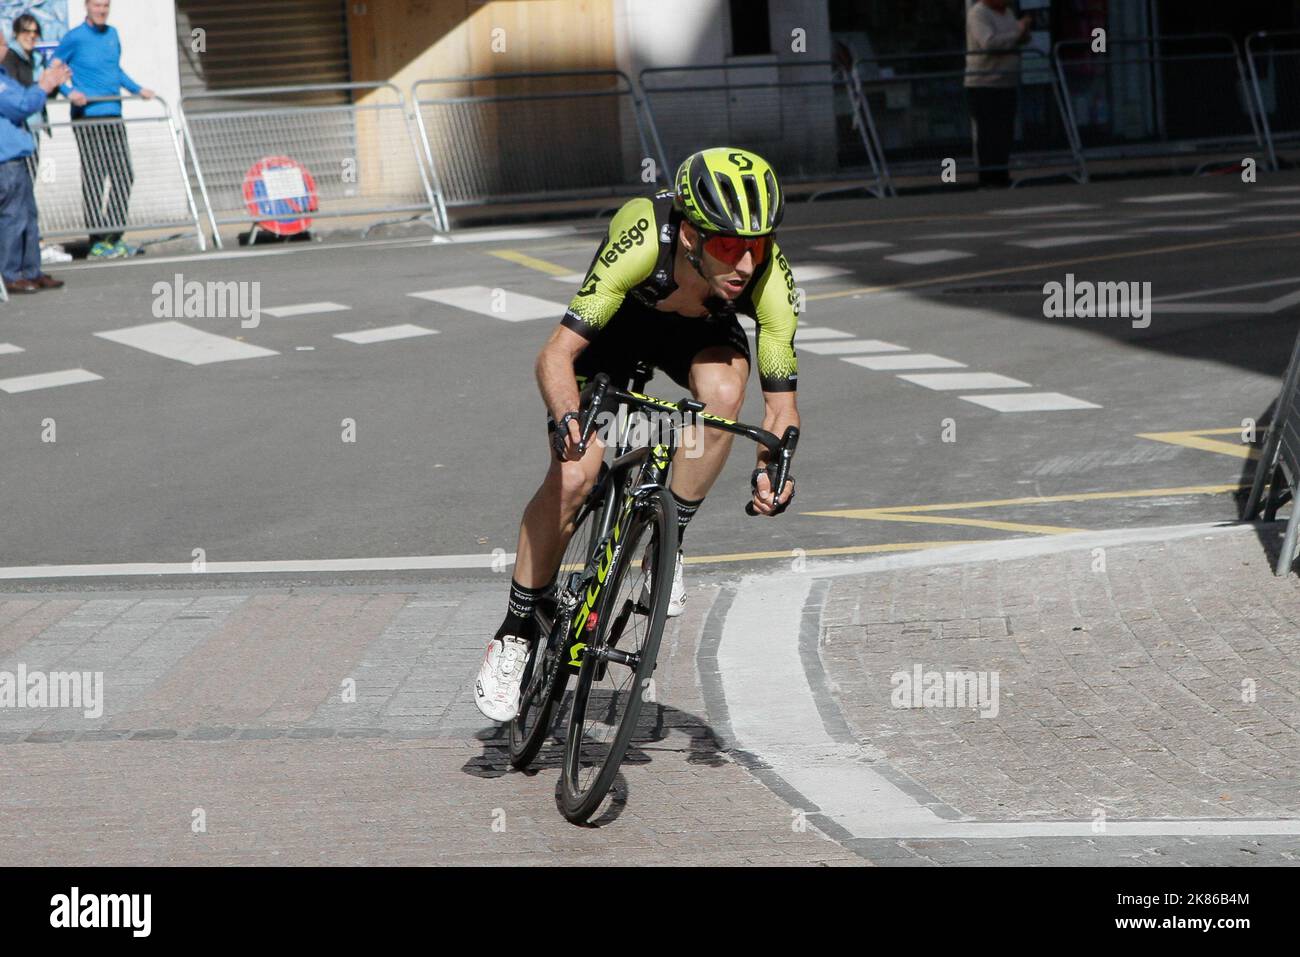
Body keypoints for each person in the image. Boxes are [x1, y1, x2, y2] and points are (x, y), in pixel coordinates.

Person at [474, 147, 799, 722]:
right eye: (728, 245)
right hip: (616, 334)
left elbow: (780, 408)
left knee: (724, 399)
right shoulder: (644, 233)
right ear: (692, 235)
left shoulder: (767, 275)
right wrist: (566, 418)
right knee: (576, 475)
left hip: (697, 337)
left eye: (758, 244)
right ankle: (516, 632)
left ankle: (664, 547)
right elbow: (555, 354)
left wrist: (773, 464)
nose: (746, 263)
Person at [54, 0, 155, 259]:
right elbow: (53, 70)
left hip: (113, 115)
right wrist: (69, 92)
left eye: (106, 6)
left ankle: (113, 235)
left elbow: (115, 70)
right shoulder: (74, 38)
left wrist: (137, 89)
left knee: (124, 174)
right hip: (87, 118)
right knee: (95, 177)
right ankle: (97, 240)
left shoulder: (113, 34)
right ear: (86, 6)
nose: (102, 10)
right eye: (97, 5)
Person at [4, 12, 70, 266]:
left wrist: (51, 83)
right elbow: (20, 98)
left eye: (35, 32)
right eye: (26, 32)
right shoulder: (11, 60)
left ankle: (29, 249)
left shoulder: (32, 59)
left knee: (26, 193)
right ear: (16, 34)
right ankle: (20, 257)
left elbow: (43, 95)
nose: (31, 37)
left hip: (34, 130)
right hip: (20, 132)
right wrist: (43, 83)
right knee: (18, 197)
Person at [965, 0, 1031, 187]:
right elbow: (989, 42)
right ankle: (988, 178)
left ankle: (1001, 174)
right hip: (984, 83)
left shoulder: (1007, 13)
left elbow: (1018, 39)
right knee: (989, 133)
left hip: (1006, 82)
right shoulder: (978, 13)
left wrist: (1023, 31)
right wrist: (1017, 32)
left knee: (1004, 132)